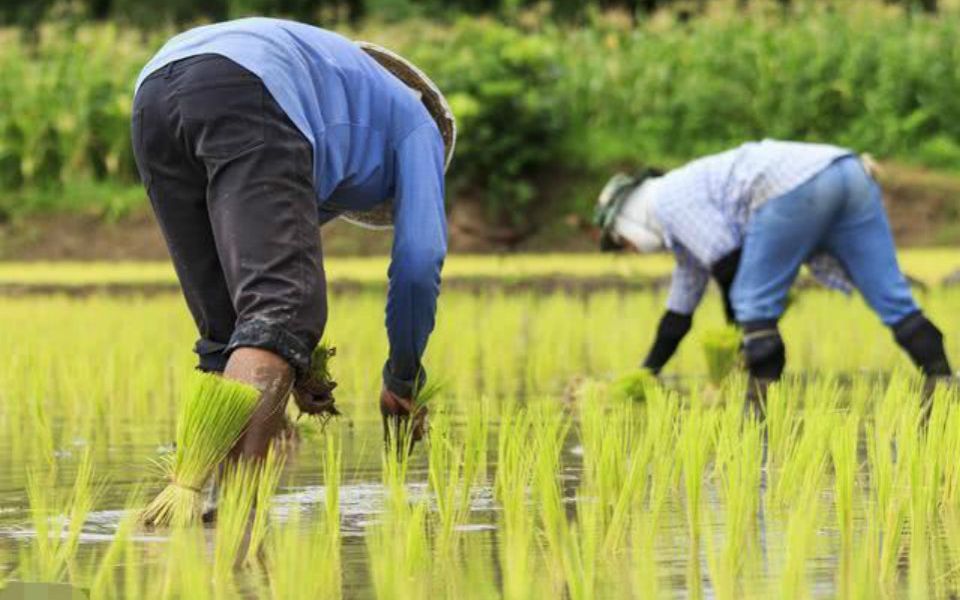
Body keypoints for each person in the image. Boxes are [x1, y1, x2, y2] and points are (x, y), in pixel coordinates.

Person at [132, 18, 456, 458]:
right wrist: (402, 379)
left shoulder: (335, 100)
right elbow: (420, 260)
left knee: (230, 330)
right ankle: (235, 510)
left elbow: (258, 258)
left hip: (153, 94)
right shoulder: (418, 125)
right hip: (249, 86)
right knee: (281, 313)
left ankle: (195, 501)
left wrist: (298, 367)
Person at [594, 140, 952, 402]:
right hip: (848, 172)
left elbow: (730, 267)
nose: (630, 249)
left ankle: (761, 404)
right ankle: (944, 381)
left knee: (753, 303)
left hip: (795, 186)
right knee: (893, 299)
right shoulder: (682, 227)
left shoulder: (669, 200)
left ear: (627, 220)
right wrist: (647, 372)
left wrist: (739, 348)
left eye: (622, 242)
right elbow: (679, 311)